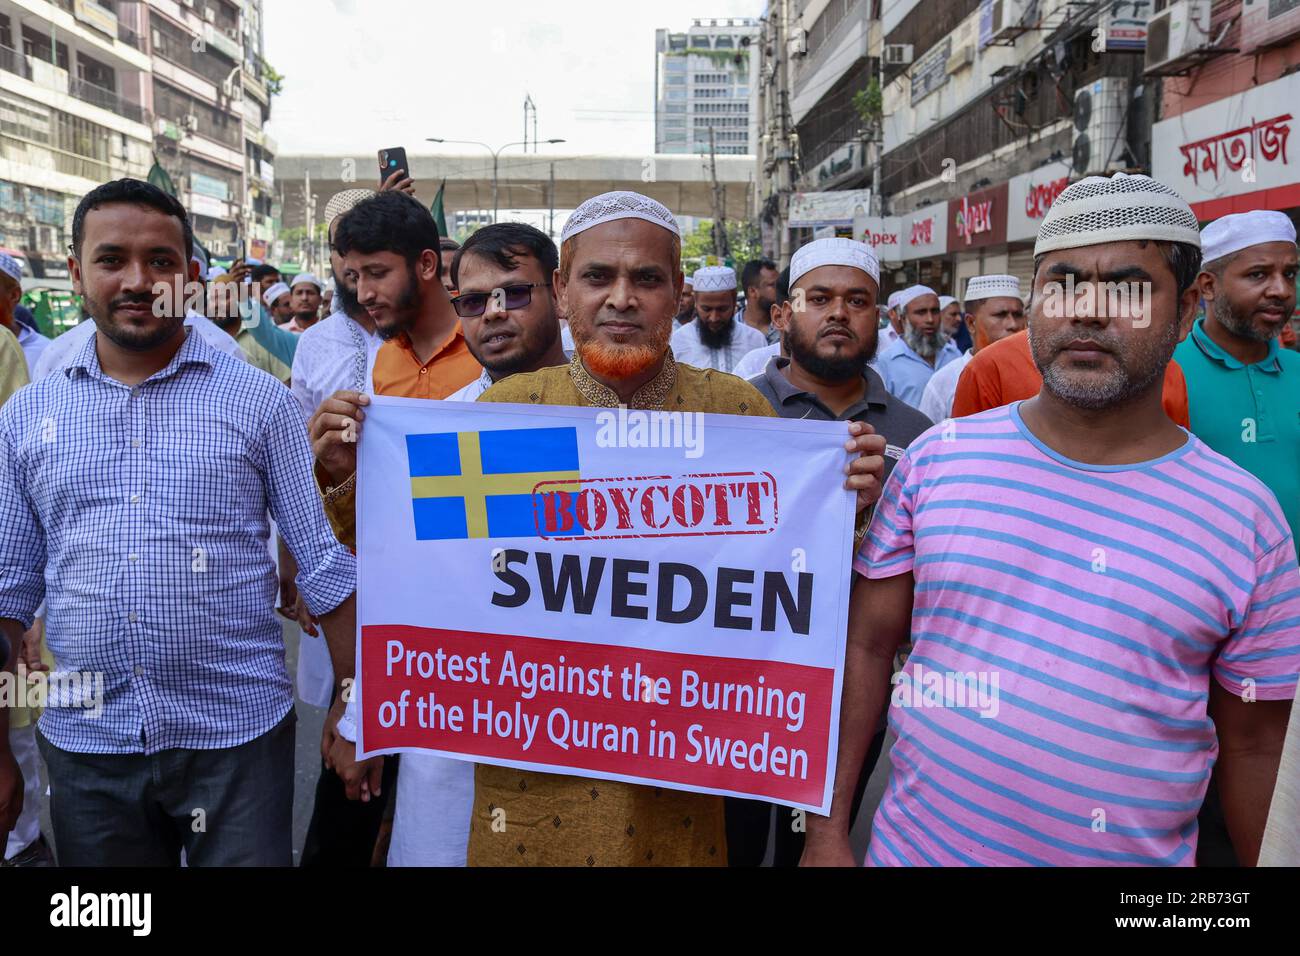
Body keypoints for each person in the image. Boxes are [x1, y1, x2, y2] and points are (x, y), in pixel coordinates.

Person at [315, 191, 886, 867]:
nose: (622, 298)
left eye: (646, 279)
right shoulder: (515, 413)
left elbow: (785, 583)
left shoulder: (733, 414)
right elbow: (418, 568)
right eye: (598, 278)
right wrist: (352, 473)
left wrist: (846, 508)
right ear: (562, 291)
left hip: (681, 785)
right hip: (527, 786)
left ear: (677, 292)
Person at [803, 172, 1300, 868]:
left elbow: (1254, 743)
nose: (1088, 313)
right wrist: (826, 832)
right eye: (1063, 284)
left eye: (1127, 289)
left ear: (1187, 309)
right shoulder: (934, 463)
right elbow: (866, 649)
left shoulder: (1246, 520)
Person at [0, 178, 359, 866]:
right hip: (86, 746)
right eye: (111, 260)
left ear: (192, 277)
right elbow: (8, 594)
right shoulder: (26, 417)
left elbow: (322, 563)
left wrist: (352, 704)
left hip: (238, 738)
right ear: (77, 274)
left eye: (161, 261)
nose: (138, 280)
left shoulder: (259, 404)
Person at [310, 221, 570, 867]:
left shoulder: (621, 423)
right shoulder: (440, 433)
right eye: (474, 302)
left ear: (559, 292)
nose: (494, 314)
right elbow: (404, 586)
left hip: (585, 720)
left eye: (515, 293)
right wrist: (363, 716)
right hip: (457, 726)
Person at [741, 238, 933, 868]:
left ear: (880, 318)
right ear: (781, 317)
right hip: (739, 687)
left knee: (820, 841)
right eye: (818, 298)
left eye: (858, 301)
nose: (839, 314)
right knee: (733, 843)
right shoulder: (737, 415)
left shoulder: (918, 436)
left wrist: (874, 514)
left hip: (856, 691)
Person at [1175, 210, 1299, 541]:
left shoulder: (1297, 369)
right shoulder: (1165, 373)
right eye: (1259, 275)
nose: (1281, 290)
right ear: (1208, 286)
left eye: (1290, 274)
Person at [919, 275, 1026, 423]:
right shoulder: (945, 382)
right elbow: (927, 441)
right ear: (970, 323)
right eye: (1000, 315)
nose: (1013, 324)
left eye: (1018, 315)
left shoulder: (1037, 373)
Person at [875, 285, 962, 409]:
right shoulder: (886, 362)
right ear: (904, 318)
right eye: (921, 312)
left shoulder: (954, 355)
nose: (930, 319)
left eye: (935, 311)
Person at [670, 265, 766, 373]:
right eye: (706, 309)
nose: (714, 318)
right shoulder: (677, 341)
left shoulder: (756, 340)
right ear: (696, 302)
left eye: (722, 309)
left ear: (734, 301)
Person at [739, 257, 781, 344]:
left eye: (779, 284)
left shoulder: (786, 328)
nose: (779, 289)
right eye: (772, 285)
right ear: (752, 291)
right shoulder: (731, 330)